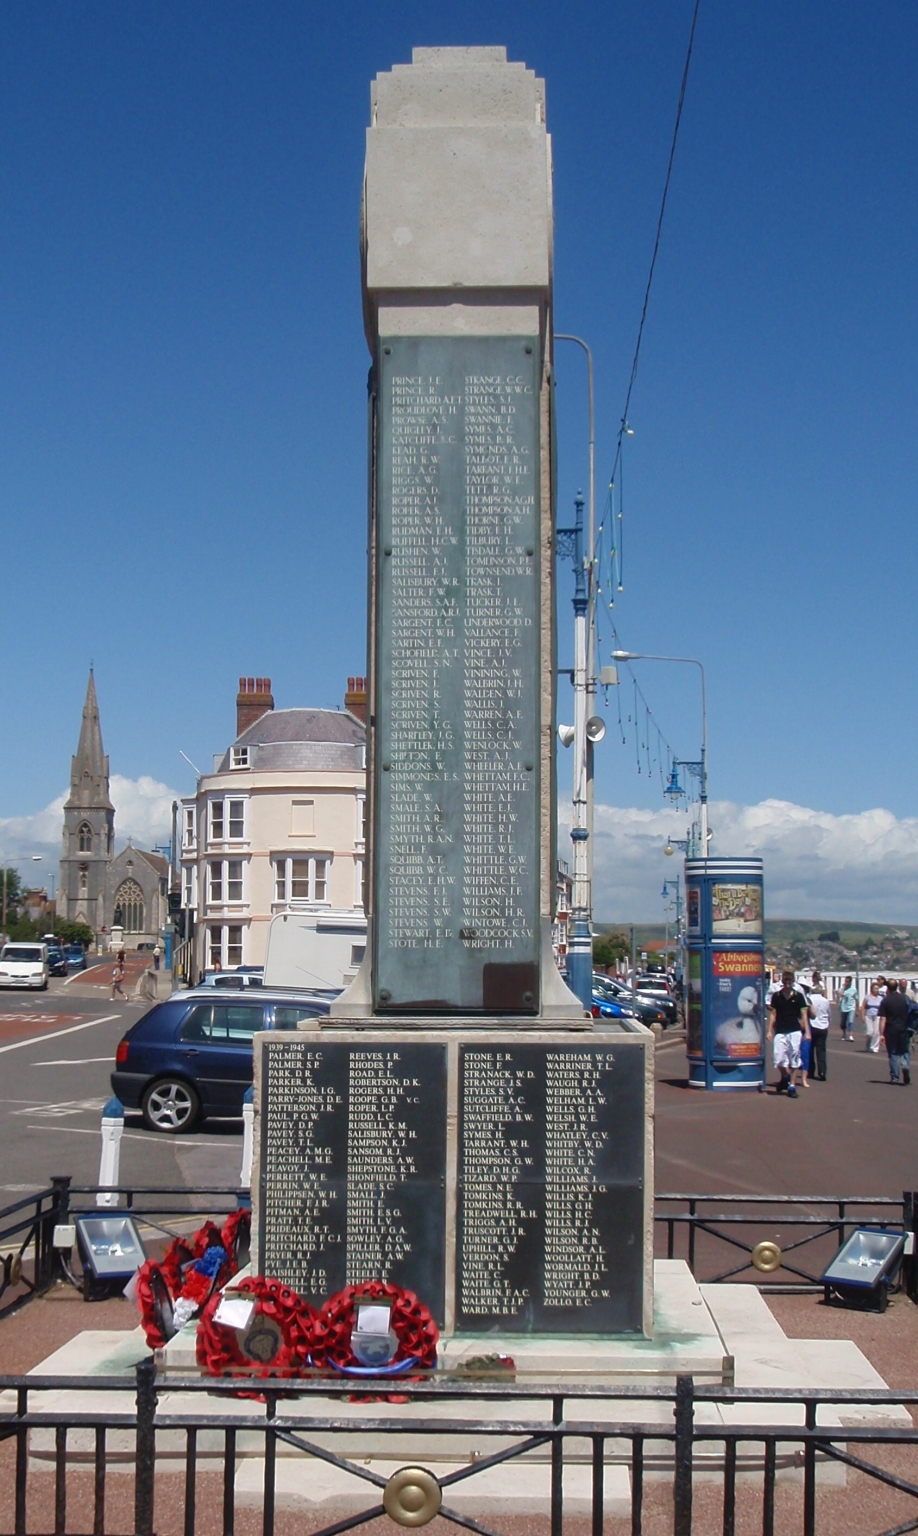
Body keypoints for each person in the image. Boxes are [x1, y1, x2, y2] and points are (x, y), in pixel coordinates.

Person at [767, 970, 811, 1098]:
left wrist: (807, 1031)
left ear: (792, 982)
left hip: (794, 1030)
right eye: (785, 982)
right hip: (780, 1030)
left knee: (794, 1057)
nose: (787, 984)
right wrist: (769, 1030)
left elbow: (804, 1014)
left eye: (789, 982)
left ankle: (791, 1085)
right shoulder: (777, 996)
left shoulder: (798, 996)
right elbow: (773, 1014)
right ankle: (785, 1076)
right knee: (778, 1057)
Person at [879, 979, 911, 1085]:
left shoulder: (885, 1001)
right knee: (904, 1050)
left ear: (887, 988)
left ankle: (895, 1076)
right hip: (903, 1028)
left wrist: (881, 1034)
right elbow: (909, 1012)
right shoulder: (904, 998)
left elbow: (883, 1019)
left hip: (891, 1029)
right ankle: (905, 1065)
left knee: (893, 1053)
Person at [808, 985, 831, 1080]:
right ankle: (822, 1071)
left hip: (812, 1025)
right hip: (823, 1026)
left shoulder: (809, 999)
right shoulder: (825, 1001)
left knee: (810, 1050)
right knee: (821, 1050)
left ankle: (810, 1071)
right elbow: (829, 1014)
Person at [861, 982, 883, 1053]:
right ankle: (868, 1044)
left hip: (877, 1016)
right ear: (871, 989)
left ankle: (874, 1047)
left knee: (876, 1032)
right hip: (869, 1016)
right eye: (875, 988)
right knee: (869, 1032)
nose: (876, 990)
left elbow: (883, 1008)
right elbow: (863, 1007)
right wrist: (863, 1016)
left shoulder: (880, 998)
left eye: (877, 989)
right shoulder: (867, 997)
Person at [839, 975, 857, 1040]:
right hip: (843, 1007)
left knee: (851, 1020)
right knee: (843, 1022)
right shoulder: (842, 988)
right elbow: (840, 995)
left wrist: (857, 1010)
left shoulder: (854, 989)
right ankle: (844, 1034)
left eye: (848, 981)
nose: (846, 982)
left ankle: (851, 1035)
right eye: (845, 981)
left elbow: (856, 999)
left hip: (851, 1007)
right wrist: (843, 988)